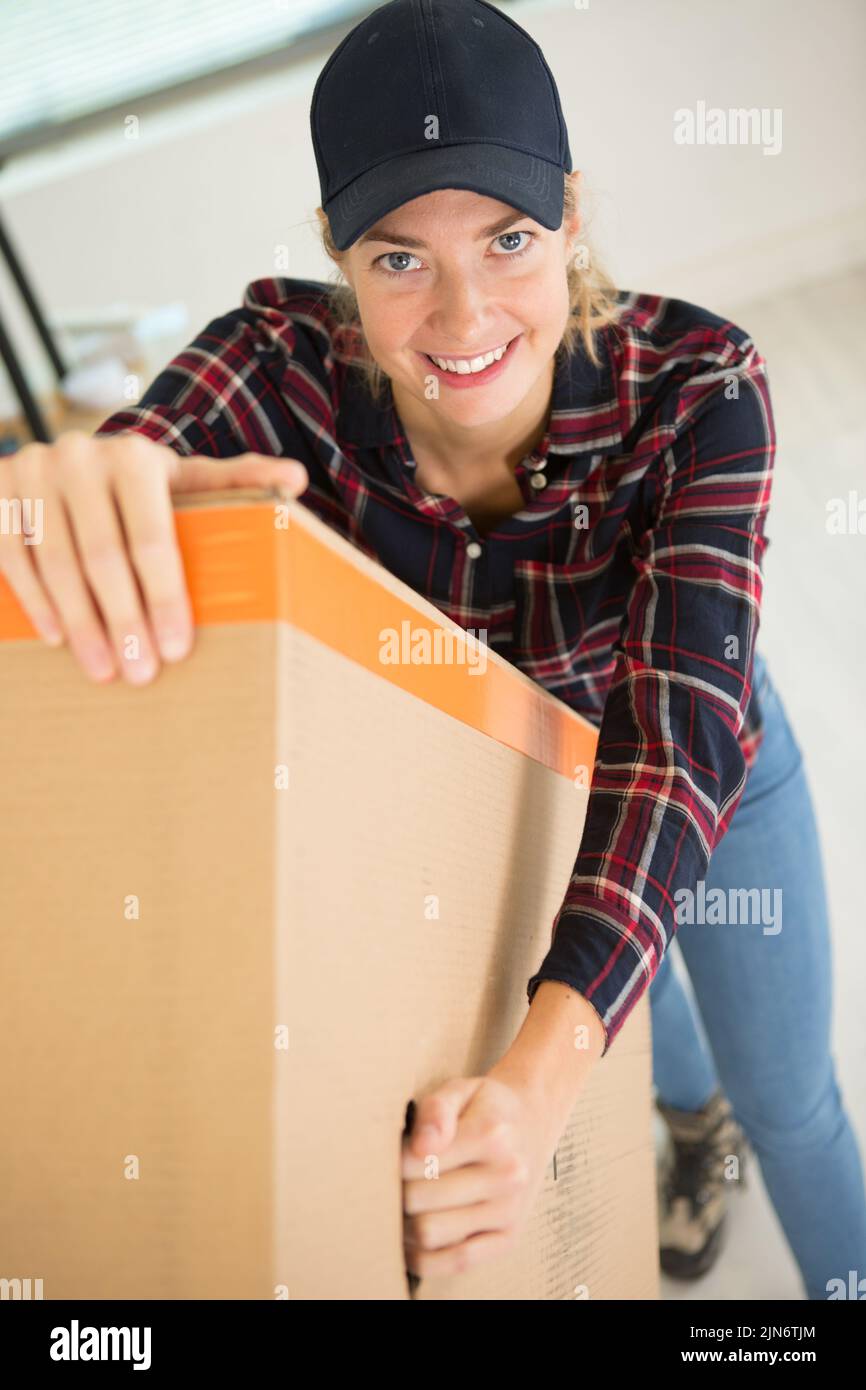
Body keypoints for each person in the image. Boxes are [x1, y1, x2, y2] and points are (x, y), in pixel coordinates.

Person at [1, 0, 863, 1298]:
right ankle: (692, 1134)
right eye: (399, 259)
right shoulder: (279, 361)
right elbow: (133, 453)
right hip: (502, 777)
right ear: (337, 255)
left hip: (697, 755)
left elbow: (674, 736)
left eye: (508, 238)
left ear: (569, 213)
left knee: (787, 1094)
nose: (461, 317)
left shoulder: (699, 387)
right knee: (648, 1027)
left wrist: (536, 1085)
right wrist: (51, 496)